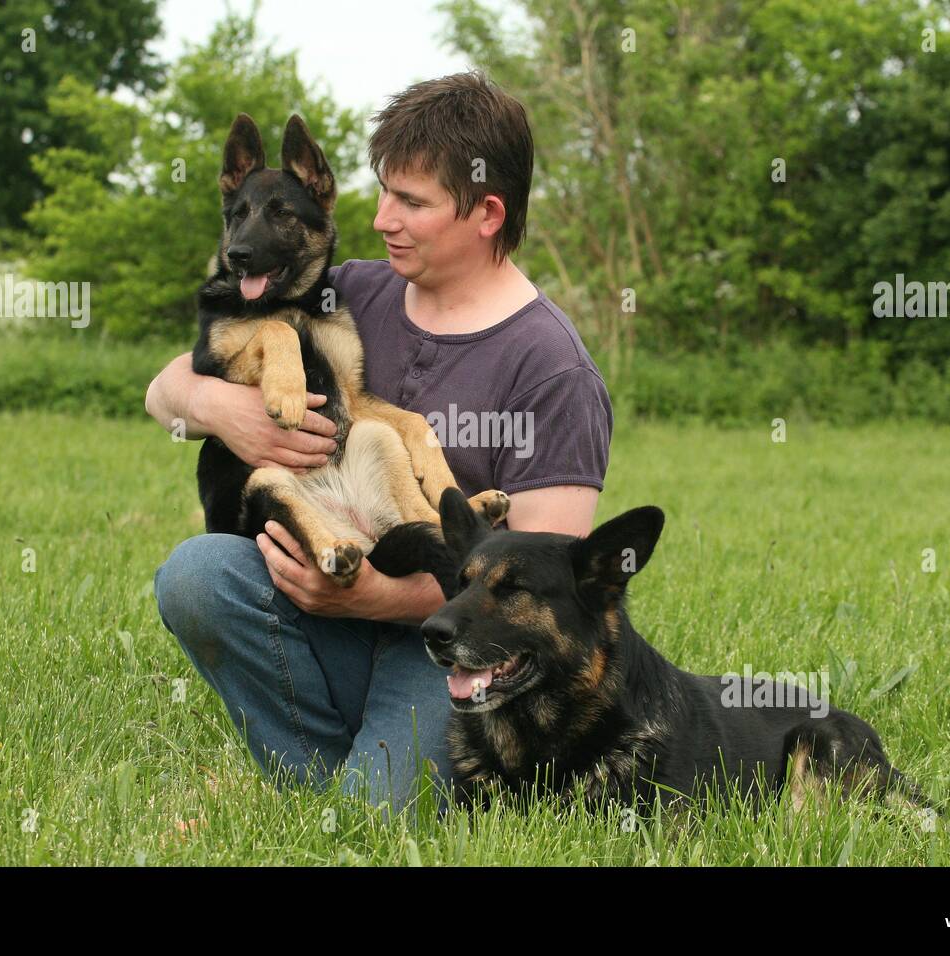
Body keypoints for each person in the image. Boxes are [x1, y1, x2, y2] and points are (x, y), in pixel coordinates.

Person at [147, 71, 612, 813]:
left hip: (461, 653)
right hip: (328, 597)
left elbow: (553, 590)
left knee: (371, 822)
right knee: (198, 574)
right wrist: (213, 406)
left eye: (412, 202)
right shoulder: (351, 288)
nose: (382, 218)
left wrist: (378, 600)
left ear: (487, 212)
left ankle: (358, 779)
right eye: (384, 190)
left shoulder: (553, 370)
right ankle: (341, 763)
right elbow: (167, 385)